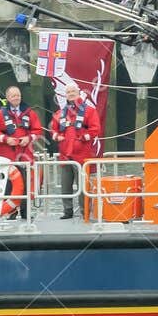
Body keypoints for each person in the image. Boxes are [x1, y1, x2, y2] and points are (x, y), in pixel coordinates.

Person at [49, 82, 103, 219]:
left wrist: (83, 138)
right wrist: (57, 136)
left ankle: (85, 212)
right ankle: (67, 211)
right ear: (65, 95)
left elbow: (95, 129)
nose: (71, 94)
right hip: (65, 155)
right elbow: (53, 129)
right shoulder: (60, 113)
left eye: (73, 91)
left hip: (82, 155)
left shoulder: (89, 111)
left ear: (79, 93)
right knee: (65, 185)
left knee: (82, 186)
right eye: (68, 92)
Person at [0, 85, 43, 212]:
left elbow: (38, 130)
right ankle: (9, 212)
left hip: (25, 155)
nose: (16, 98)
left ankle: (25, 212)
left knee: (25, 184)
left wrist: (28, 139)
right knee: (7, 185)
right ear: (7, 98)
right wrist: (6, 139)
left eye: (18, 95)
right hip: (7, 157)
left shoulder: (30, 113)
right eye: (13, 95)